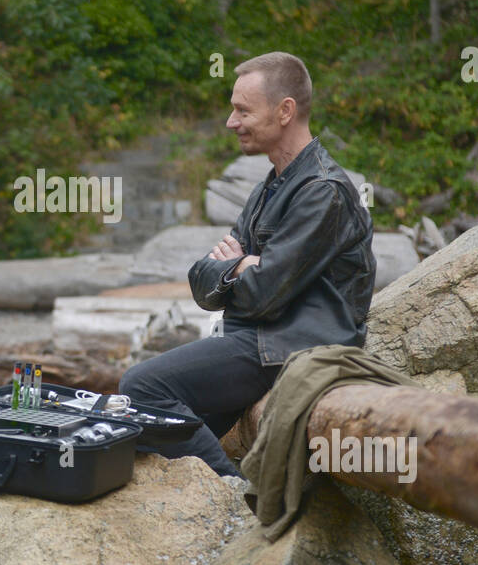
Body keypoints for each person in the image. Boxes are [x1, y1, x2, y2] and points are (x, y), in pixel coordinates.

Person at [119, 51, 375, 477]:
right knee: (150, 428)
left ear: (285, 111)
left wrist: (237, 270)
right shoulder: (268, 188)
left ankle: (232, 497)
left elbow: (262, 294)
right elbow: (202, 283)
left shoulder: (323, 191)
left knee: (141, 386)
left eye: (243, 111)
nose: (230, 122)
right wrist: (241, 267)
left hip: (291, 346)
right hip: (254, 338)